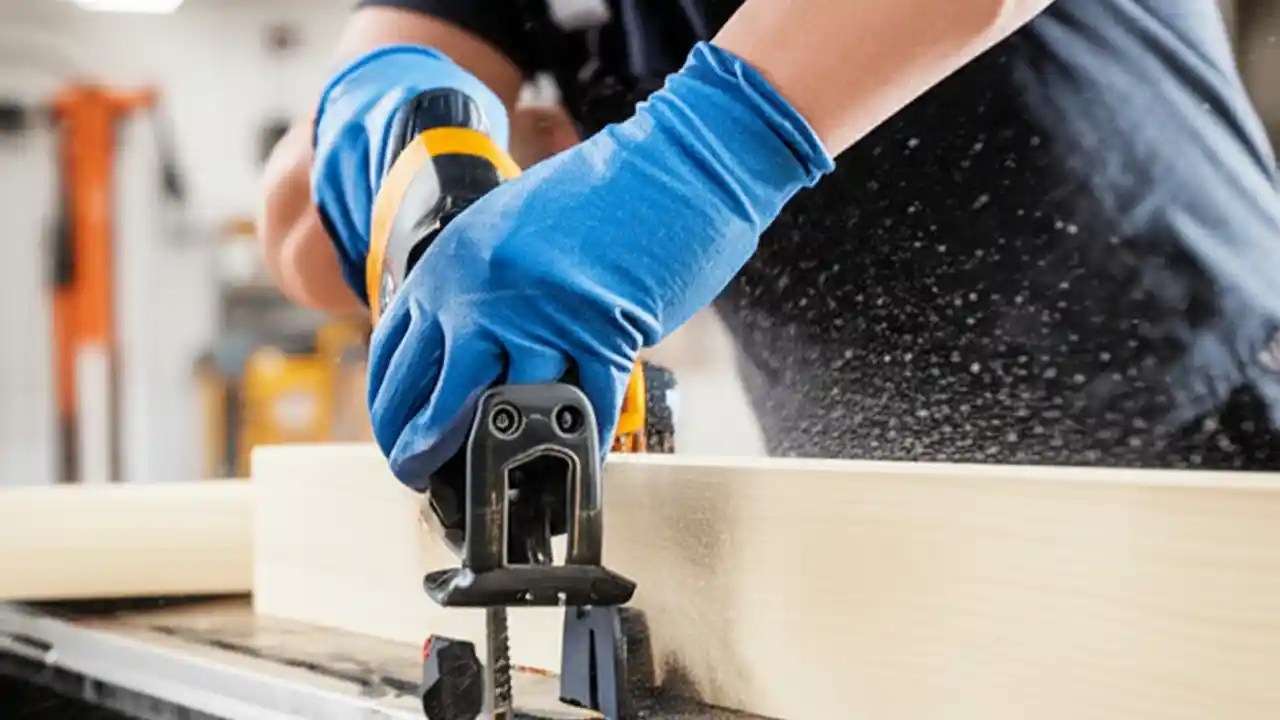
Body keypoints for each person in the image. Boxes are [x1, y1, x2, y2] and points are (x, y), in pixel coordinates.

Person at [259, 0, 1280, 485]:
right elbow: (299, 231)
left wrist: (702, 153)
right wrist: (393, 128)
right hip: (851, 482)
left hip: (1203, 413)